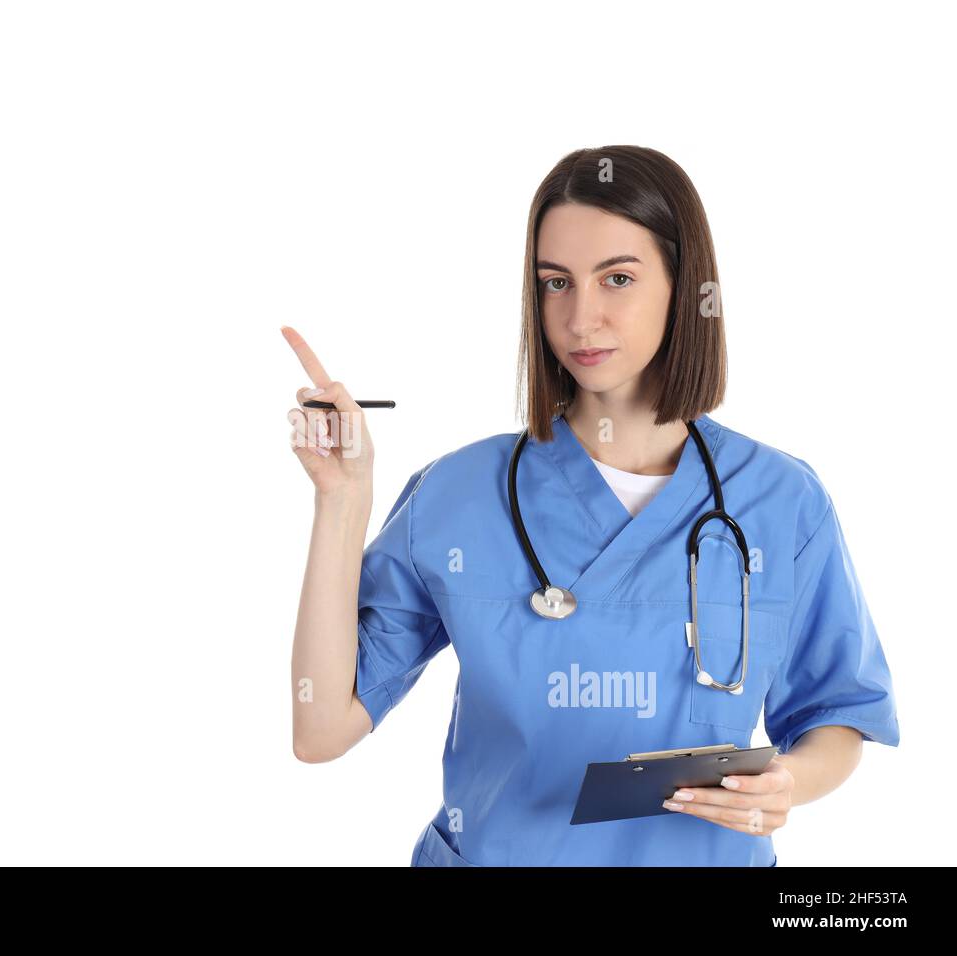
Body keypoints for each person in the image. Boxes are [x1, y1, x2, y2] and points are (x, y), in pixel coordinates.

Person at [283, 145, 900, 867]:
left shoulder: (781, 500)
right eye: (555, 283)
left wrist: (789, 783)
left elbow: (836, 715)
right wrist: (343, 499)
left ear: (685, 285)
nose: (580, 318)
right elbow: (320, 729)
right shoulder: (460, 495)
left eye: (617, 279)